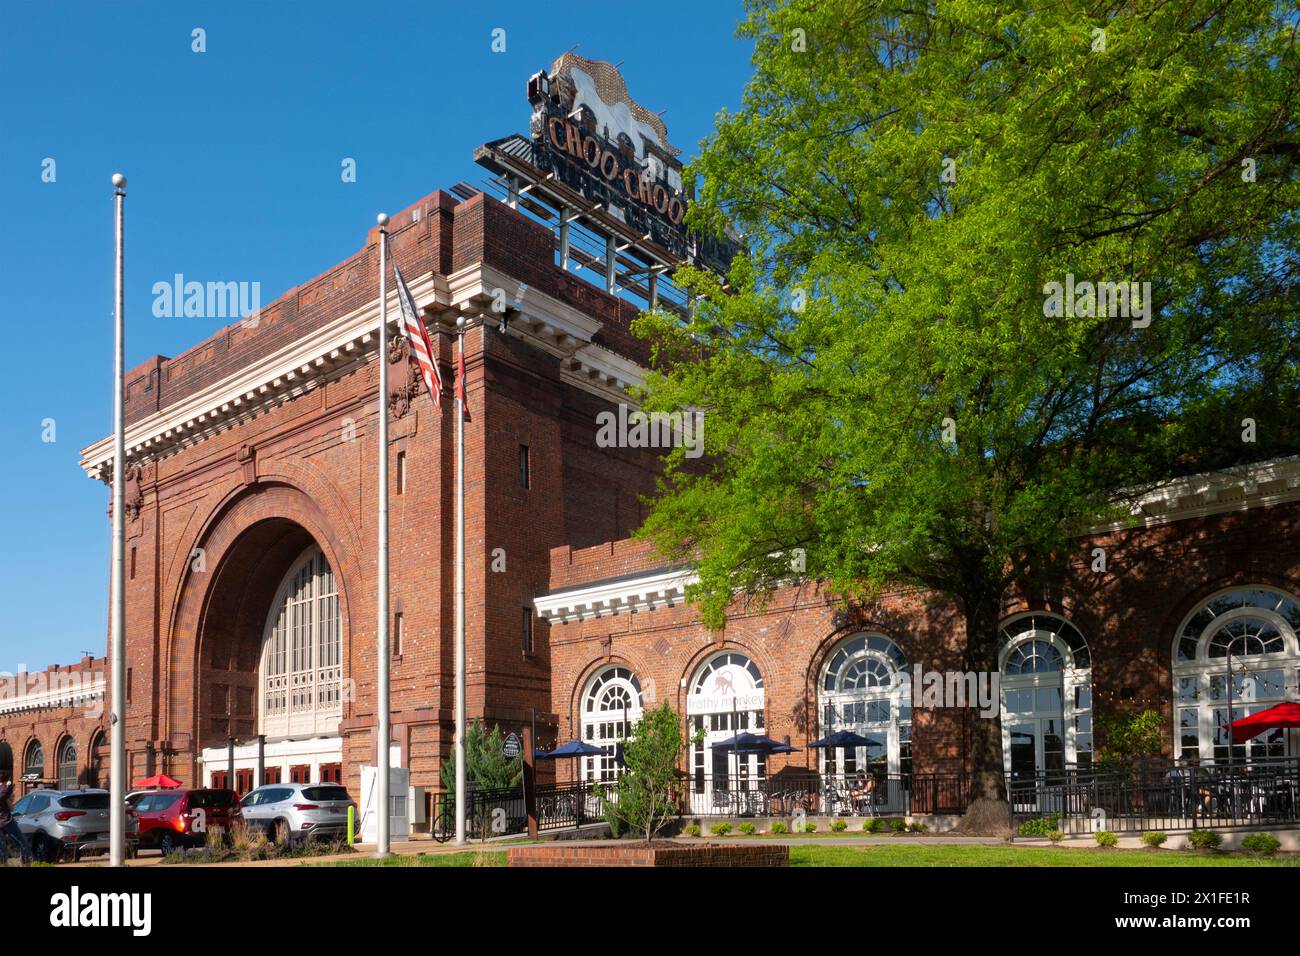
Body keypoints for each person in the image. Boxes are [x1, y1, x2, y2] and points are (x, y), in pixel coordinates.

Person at [0, 773, 32, 866]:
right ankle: (27, 862)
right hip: (6, 820)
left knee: (1, 845)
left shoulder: (4, 790)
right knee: (21, 840)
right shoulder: (4, 790)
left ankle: (3, 863)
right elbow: (11, 808)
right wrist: (10, 789)